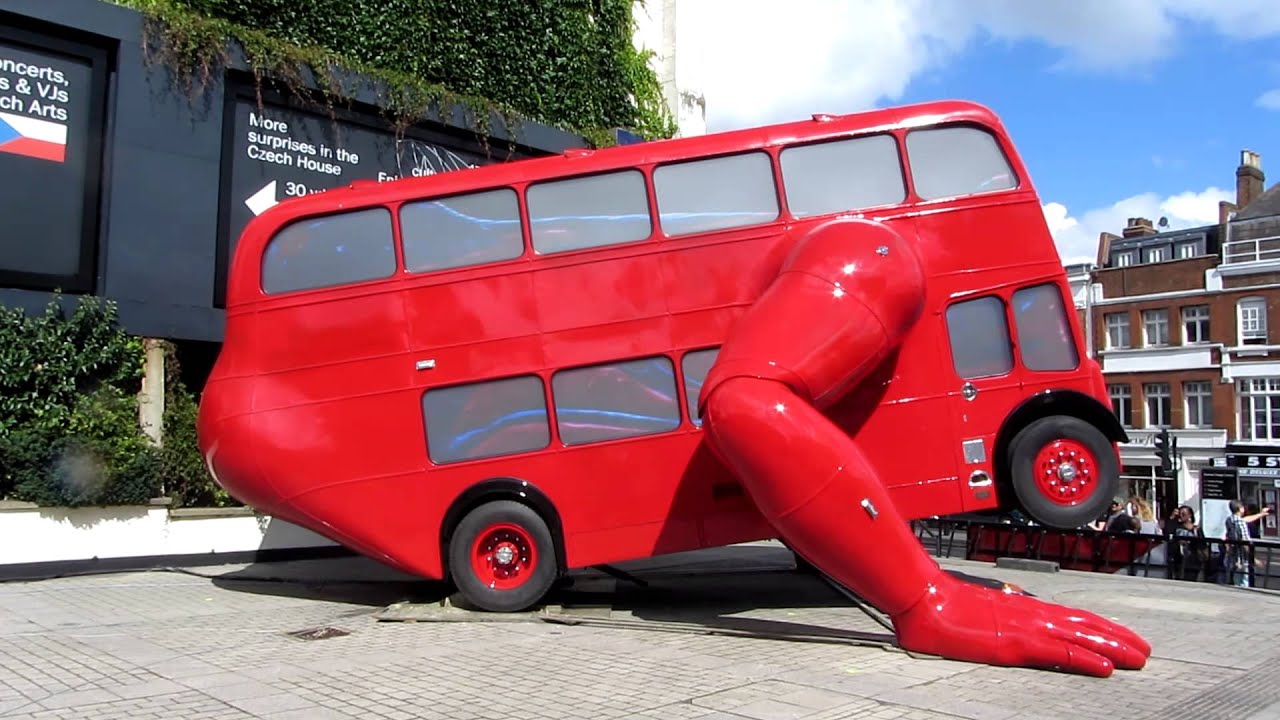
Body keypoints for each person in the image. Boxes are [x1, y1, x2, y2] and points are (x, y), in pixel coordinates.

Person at [1223, 500, 1271, 587]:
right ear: (1241, 509)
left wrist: (1261, 514)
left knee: (1235, 581)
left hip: (1233, 557)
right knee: (1243, 583)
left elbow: (1245, 520)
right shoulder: (1241, 523)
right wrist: (1254, 559)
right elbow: (1245, 543)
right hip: (1241, 559)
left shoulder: (1229, 520)